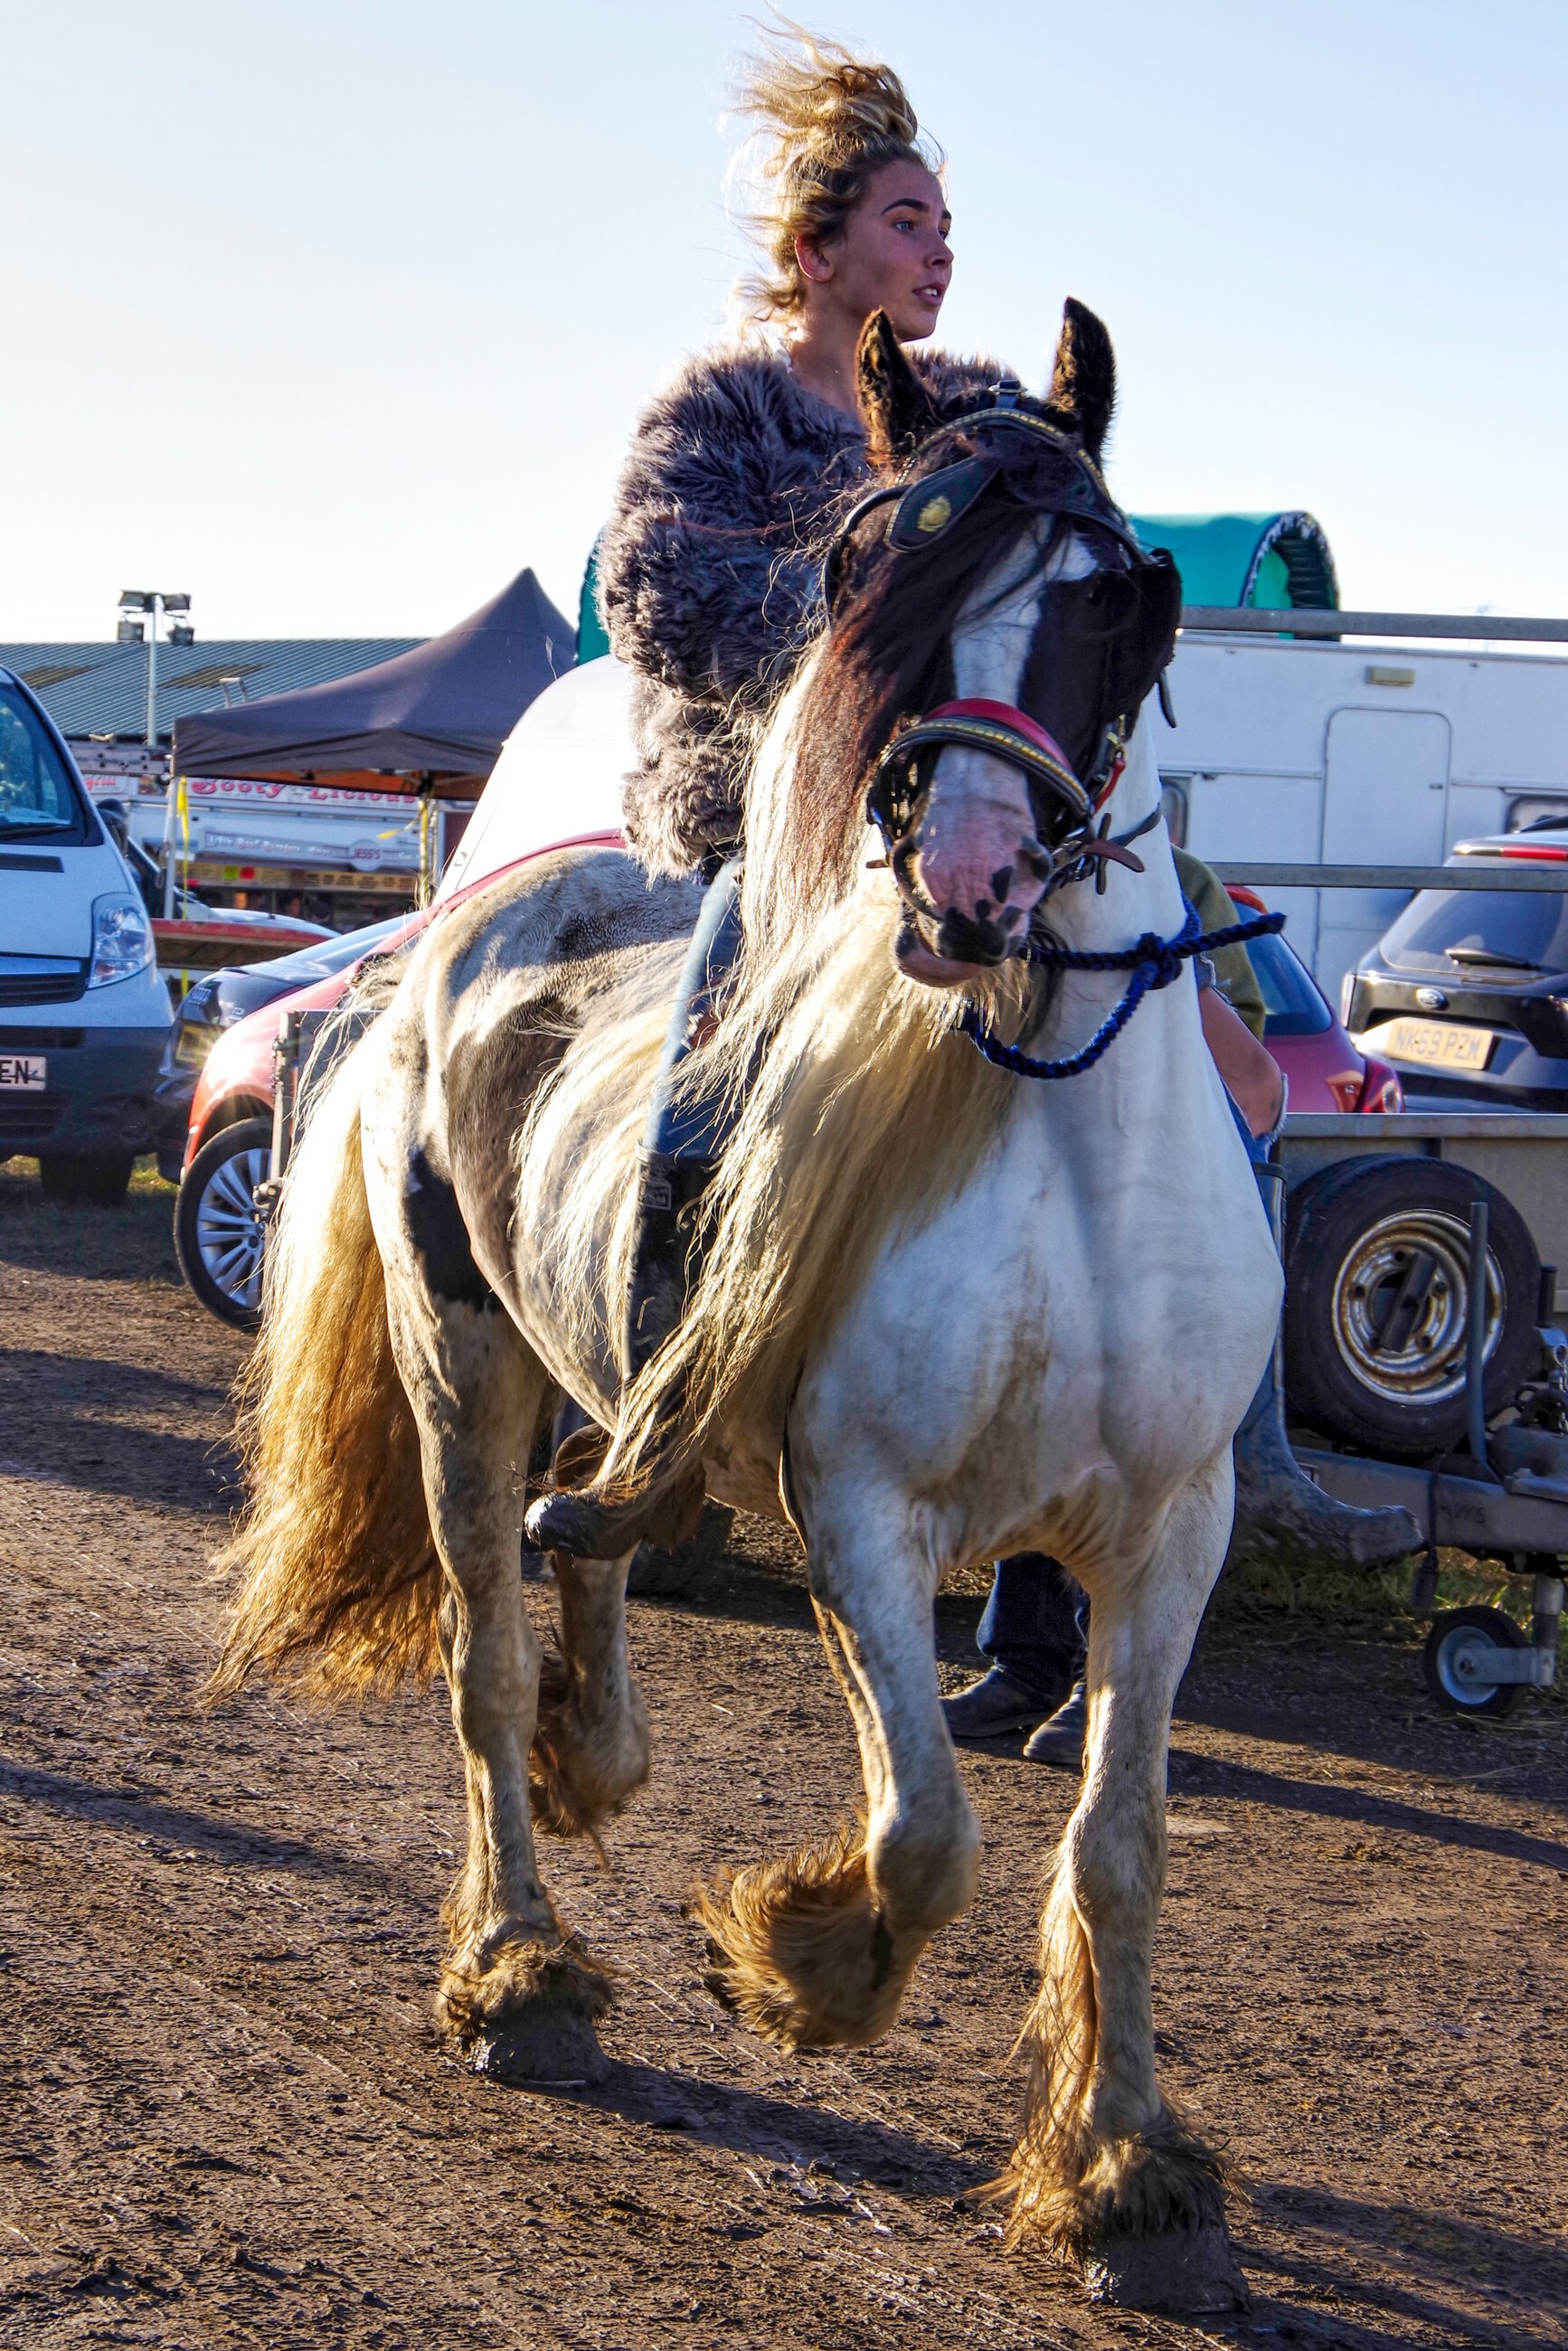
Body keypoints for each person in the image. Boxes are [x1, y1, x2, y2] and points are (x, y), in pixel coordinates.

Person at [529, 29, 1407, 1592]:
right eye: (906, 223)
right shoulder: (716, 416)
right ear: (817, 254)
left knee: (1216, 1063)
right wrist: (875, 639)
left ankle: (1237, 1442)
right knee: (701, 1086)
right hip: (774, 828)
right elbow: (655, 594)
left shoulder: (987, 413)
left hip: (986, 814)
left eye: (945, 227)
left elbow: (1066, 579)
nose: (940, 253)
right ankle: (657, 1422)